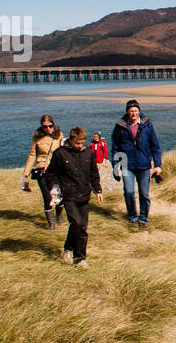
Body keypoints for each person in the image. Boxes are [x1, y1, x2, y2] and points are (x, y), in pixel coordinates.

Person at [43, 126, 103, 268]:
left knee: (82, 226)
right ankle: (77, 257)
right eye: (77, 143)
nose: (79, 146)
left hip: (84, 194)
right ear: (70, 140)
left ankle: (76, 255)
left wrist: (98, 191)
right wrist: (54, 188)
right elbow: (51, 174)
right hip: (68, 195)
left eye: (82, 143)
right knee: (77, 223)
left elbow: (94, 174)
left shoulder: (88, 153)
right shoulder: (60, 153)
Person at [110, 99, 161, 228]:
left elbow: (155, 146)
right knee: (129, 191)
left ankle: (143, 218)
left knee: (144, 193)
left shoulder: (147, 124)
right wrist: (115, 167)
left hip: (143, 164)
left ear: (139, 111)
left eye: (136, 111)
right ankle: (132, 216)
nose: (134, 113)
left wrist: (157, 165)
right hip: (127, 164)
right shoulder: (120, 125)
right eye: (131, 111)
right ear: (127, 112)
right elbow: (116, 148)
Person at [22, 114, 66, 230]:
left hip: (57, 170)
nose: (48, 129)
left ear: (53, 124)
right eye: (44, 127)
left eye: (50, 126)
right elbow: (32, 155)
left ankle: (59, 214)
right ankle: (51, 224)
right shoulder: (37, 136)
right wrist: (25, 175)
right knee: (47, 196)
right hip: (42, 170)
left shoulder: (59, 135)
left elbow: (65, 150)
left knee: (59, 194)